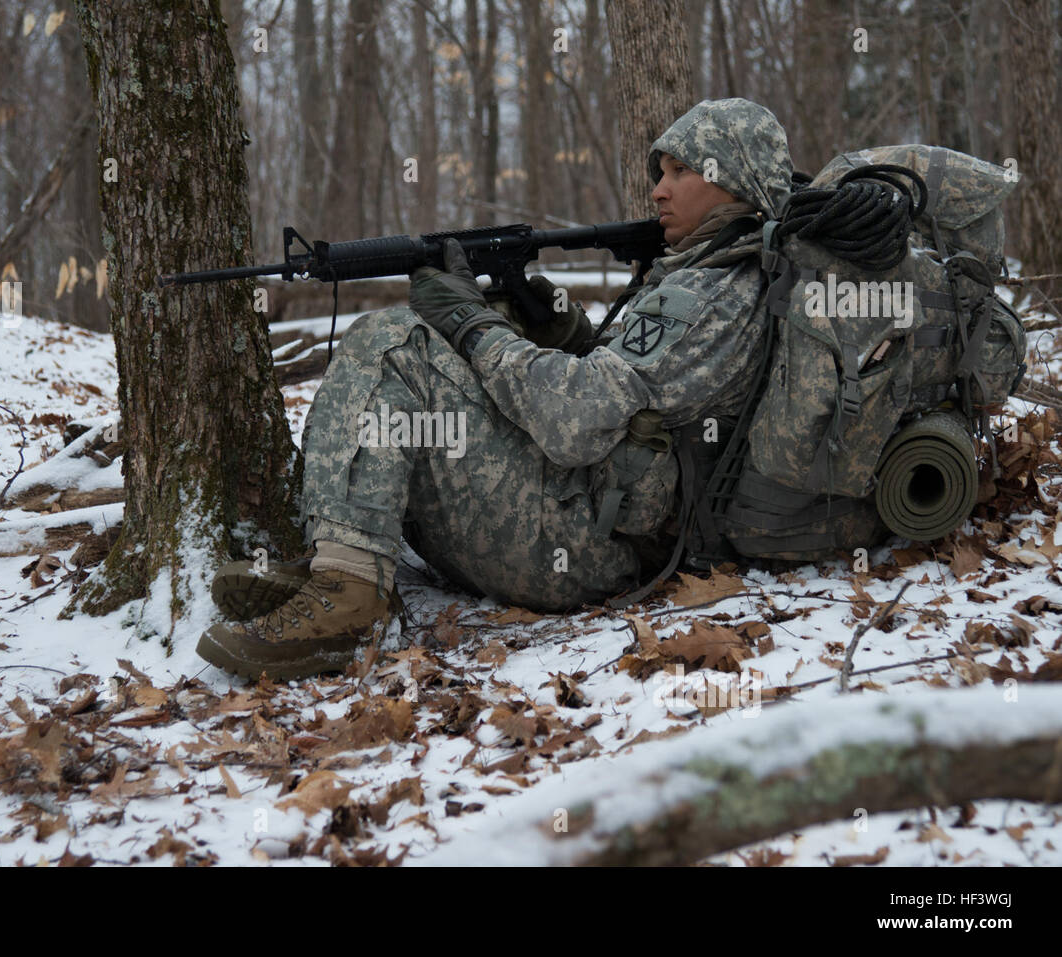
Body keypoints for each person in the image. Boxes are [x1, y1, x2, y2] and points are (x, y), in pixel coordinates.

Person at [197, 98, 794, 681]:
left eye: (680, 172)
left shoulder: (712, 292)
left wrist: (473, 324)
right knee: (415, 348)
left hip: (589, 545)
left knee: (394, 344)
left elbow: (580, 422)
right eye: (660, 173)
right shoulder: (718, 274)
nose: (659, 190)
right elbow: (641, 400)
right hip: (604, 518)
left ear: (732, 180)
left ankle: (349, 600)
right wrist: (568, 334)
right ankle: (347, 563)